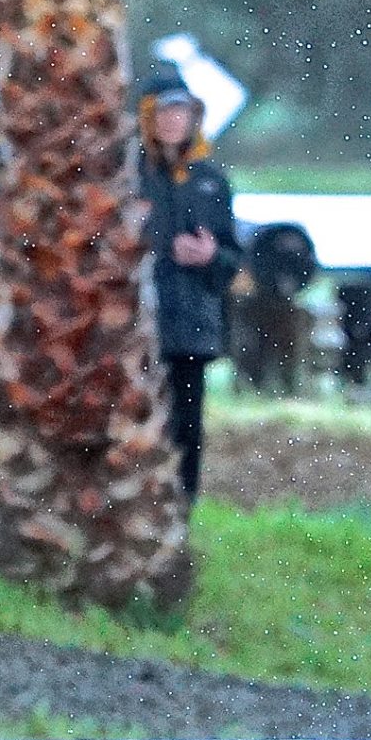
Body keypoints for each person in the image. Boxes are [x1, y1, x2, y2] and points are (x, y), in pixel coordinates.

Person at [136, 61, 241, 502]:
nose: (174, 120)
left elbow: (235, 260)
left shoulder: (212, 182)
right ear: (147, 119)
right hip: (135, 326)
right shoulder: (128, 177)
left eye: (182, 112)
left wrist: (210, 255)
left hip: (191, 328)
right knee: (137, 422)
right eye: (164, 112)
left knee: (187, 425)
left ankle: (183, 509)